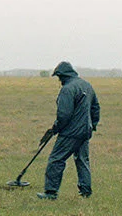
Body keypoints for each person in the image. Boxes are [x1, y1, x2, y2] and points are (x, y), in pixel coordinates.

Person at [40, 61, 99, 200]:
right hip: (85, 131)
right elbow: (95, 108)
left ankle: (50, 192)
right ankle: (86, 191)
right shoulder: (86, 85)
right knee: (82, 160)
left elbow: (64, 115)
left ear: (64, 75)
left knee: (56, 159)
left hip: (70, 133)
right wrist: (92, 125)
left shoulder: (67, 89)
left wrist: (56, 128)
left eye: (59, 77)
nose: (59, 80)